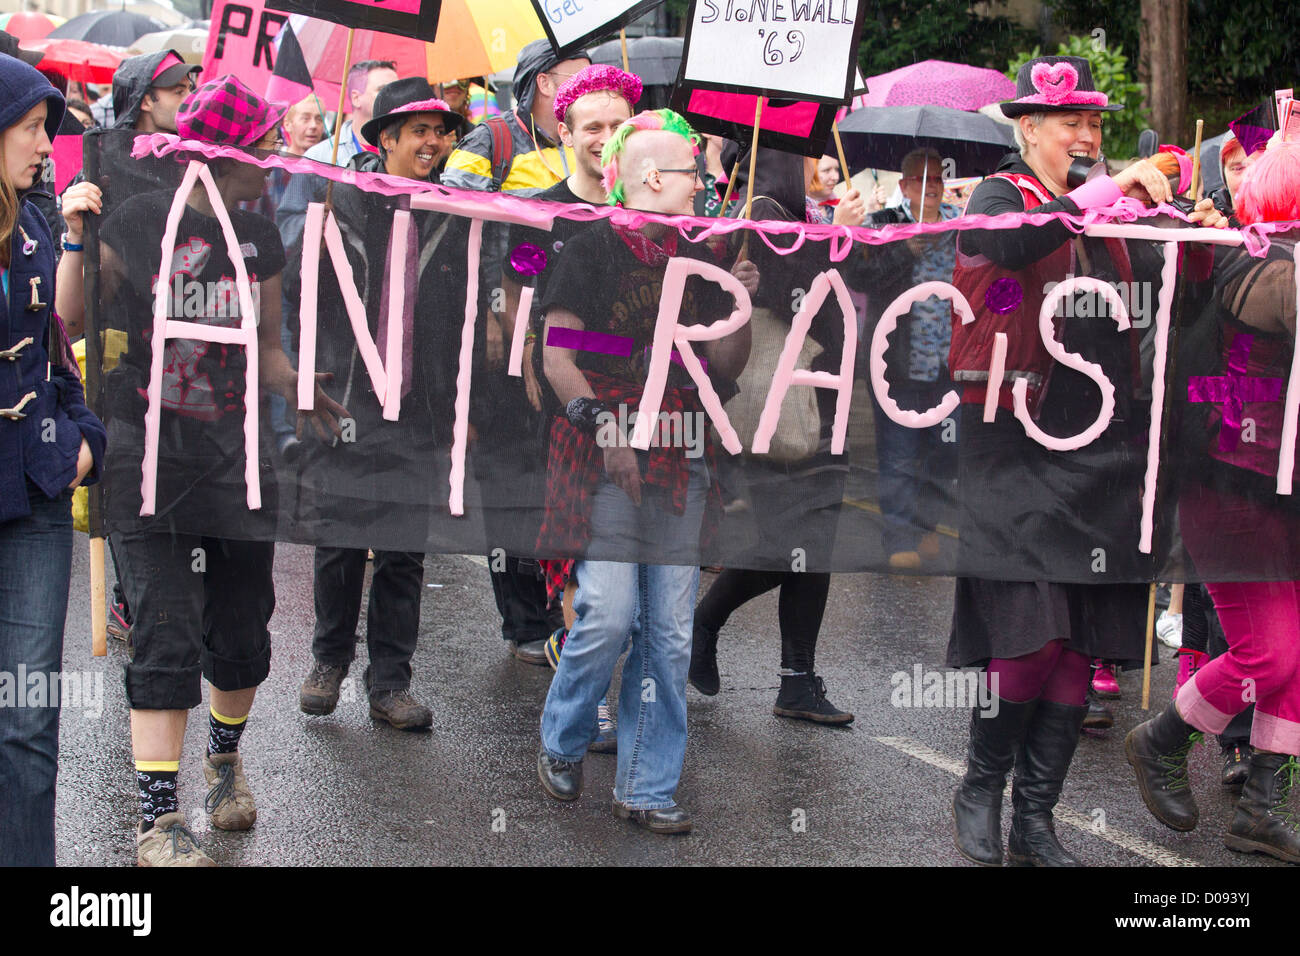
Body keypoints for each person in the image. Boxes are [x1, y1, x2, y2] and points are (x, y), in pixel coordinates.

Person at [945, 55, 1226, 867]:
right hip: (1008, 441)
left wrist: (1196, 239)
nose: (1086, 135)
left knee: (1077, 644)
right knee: (1030, 637)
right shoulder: (1004, 196)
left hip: (1099, 447)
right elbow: (1014, 243)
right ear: (1027, 127)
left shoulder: (1111, 208)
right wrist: (1113, 189)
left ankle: (1037, 820)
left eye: (1095, 125)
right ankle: (979, 787)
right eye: (1070, 122)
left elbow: (1180, 301)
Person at [95, 76, 343, 865]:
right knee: (164, 629)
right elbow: (77, 319)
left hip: (235, 458)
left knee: (241, 630)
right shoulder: (135, 223)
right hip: (145, 456)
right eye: (260, 148)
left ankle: (224, 768)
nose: (273, 160)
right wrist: (74, 238)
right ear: (218, 157)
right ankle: (159, 821)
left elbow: (268, 345)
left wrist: (304, 394)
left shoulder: (258, 235)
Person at [535, 109, 755, 833]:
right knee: (608, 615)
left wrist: (738, 303)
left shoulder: (702, 256)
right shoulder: (589, 248)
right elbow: (559, 356)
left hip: (679, 452)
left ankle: (646, 788)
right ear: (652, 179)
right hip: (603, 450)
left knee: (668, 633)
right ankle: (564, 737)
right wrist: (605, 428)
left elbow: (723, 370)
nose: (708, 183)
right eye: (696, 172)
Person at [1126, 140, 1300, 865]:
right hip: (1231, 489)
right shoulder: (1272, 271)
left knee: (1297, 654)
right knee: (1270, 652)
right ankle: (1161, 740)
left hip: (1282, 492)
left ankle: (1263, 807)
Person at [298, 80, 468, 731]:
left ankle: (390, 682)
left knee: (402, 551)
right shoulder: (340, 203)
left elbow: (466, 315)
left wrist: (462, 408)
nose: (433, 141)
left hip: (419, 408)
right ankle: (328, 663)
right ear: (385, 140)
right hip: (347, 398)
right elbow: (298, 297)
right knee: (340, 538)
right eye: (418, 130)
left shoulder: (453, 214)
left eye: (440, 130)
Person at [689, 145, 864, 725]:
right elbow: (789, 295)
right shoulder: (764, 210)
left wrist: (841, 237)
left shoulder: (805, 214)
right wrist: (833, 240)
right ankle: (708, 626)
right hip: (784, 407)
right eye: (808, 153)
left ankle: (795, 679)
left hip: (821, 401)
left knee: (810, 550)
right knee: (790, 548)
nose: (820, 160)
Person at [502, 63, 642, 752]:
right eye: (594, 126)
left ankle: (595, 677)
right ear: (566, 130)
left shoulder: (647, 211)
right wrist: (527, 360)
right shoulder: (543, 210)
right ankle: (590, 707)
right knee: (578, 550)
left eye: (620, 126)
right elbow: (512, 296)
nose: (607, 138)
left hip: (645, 407)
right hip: (565, 402)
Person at [443, 39, 592, 666]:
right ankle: (525, 621)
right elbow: (454, 225)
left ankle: (575, 614)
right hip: (496, 338)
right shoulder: (493, 141)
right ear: (536, 83)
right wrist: (497, 312)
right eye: (570, 80)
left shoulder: (592, 146)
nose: (584, 92)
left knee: (554, 473)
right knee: (507, 474)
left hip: (568, 338)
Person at [0, 51, 106, 867]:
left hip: (34, 504)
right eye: (34, 128)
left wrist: (81, 445)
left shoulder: (38, 223)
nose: (47, 147)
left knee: (28, 717)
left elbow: (57, 358)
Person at [860, 147, 960, 570]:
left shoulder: (962, 225)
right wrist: (905, 252)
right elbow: (859, 277)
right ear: (903, 186)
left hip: (949, 363)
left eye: (937, 178)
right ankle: (898, 536)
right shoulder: (884, 225)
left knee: (945, 451)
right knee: (898, 454)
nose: (932, 186)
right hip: (895, 364)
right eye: (922, 179)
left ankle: (927, 524)